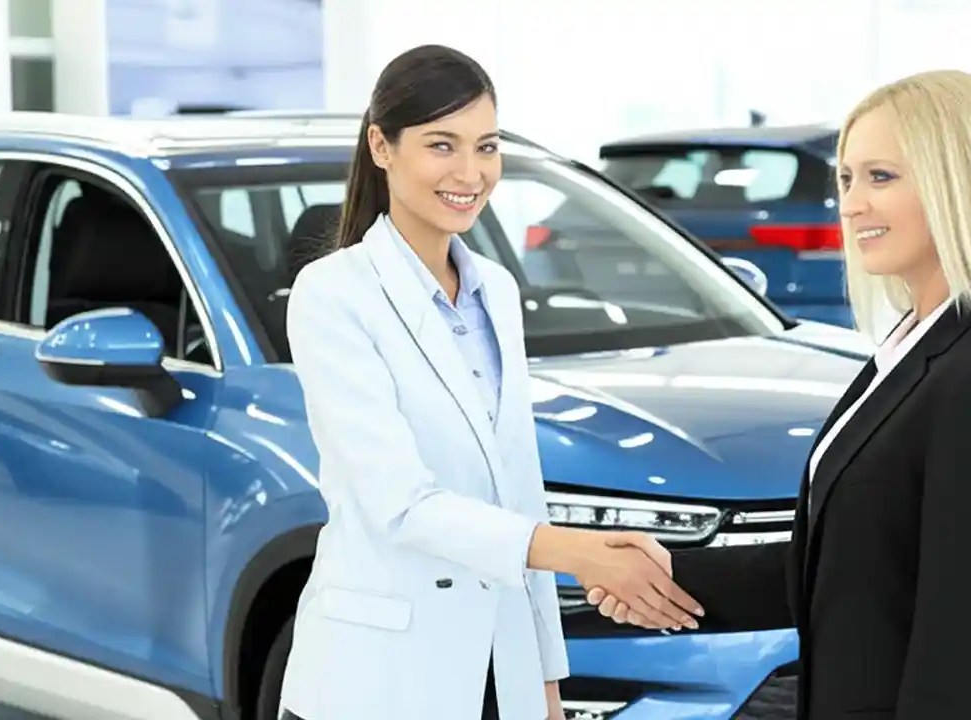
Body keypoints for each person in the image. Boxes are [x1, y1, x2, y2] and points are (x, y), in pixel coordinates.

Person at [587, 69, 971, 719]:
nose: (852, 202)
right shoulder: (914, 347)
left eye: (881, 177)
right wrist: (666, 575)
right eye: (846, 178)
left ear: (962, 186)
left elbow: (969, 653)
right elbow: (851, 566)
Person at [278, 44, 702, 720]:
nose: (470, 173)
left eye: (487, 146)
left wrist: (545, 686)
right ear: (381, 148)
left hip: (491, 677)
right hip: (374, 681)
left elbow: (517, 490)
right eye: (441, 145)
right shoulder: (332, 294)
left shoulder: (496, 291)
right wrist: (580, 554)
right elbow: (401, 503)